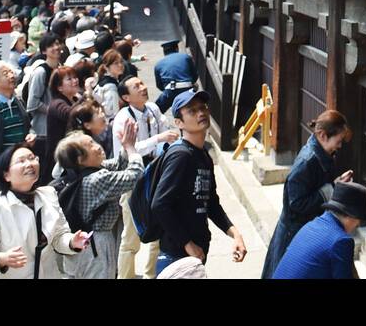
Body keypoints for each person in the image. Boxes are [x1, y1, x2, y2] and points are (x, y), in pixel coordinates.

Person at [151, 90, 246, 275]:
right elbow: (160, 204)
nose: (201, 113)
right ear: (178, 123)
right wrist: (188, 244)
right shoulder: (180, 156)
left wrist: (235, 234)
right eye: (192, 111)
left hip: (195, 254)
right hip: (176, 257)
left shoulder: (204, 156)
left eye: (203, 108)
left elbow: (211, 204)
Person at [0, 143, 90, 279]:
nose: (29, 164)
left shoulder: (48, 195)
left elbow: (59, 236)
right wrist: (2, 259)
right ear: (6, 175)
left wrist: (72, 241)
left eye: (32, 158)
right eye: (21, 161)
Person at [262, 109, 354, 278]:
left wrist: (336, 185)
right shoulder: (307, 162)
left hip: (304, 228)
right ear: (323, 135)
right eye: (338, 141)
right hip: (293, 232)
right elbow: (296, 204)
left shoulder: (323, 154)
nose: (340, 146)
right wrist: (331, 188)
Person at [53, 122, 144, 279]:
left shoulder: (80, 174)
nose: (98, 146)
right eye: (91, 145)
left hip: (80, 242)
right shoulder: (97, 179)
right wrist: (131, 149)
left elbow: (117, 165)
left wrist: (126, 146)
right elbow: (135, 176)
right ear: (80, 159)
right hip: (96, 244)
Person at [113, 76, 175, 278]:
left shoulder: (153, 109)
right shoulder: (123, 118)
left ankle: (151, 275)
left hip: (155, 173)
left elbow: (165, 134)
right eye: (136, 86)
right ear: (126, 97)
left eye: (142, 83)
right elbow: (126, 150)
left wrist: (164, 140)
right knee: (131, 236)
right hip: (132, 178)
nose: (143, 87)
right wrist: (157, 139)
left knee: (159, 229)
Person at [271, 181, 366, 279]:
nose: (358, 224)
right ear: (351, 216)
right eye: (359, 219)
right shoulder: (341, 241)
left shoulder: (310, 226)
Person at [153, 40, 197, 114]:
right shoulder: (186, 57)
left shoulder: (158, 64)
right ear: (177, 49)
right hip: (187, 88)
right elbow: (194, 76)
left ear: (164, 52)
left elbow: (159, 85)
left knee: (155, 111)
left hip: (170, 90)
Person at [44, 66, 81, 151]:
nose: (75, 80)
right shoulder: (57, 103)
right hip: (61, 154)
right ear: (59, 87)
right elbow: (70, 114)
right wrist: (85, 96)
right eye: (69, 79)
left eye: (75, 77)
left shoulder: (75, 100)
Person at [92, 50, 127, 119]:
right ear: (106, 67)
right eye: (116, 63)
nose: (120, 65)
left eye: (121, 62)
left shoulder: (104, 80)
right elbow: (112, 114)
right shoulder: (110, 87)